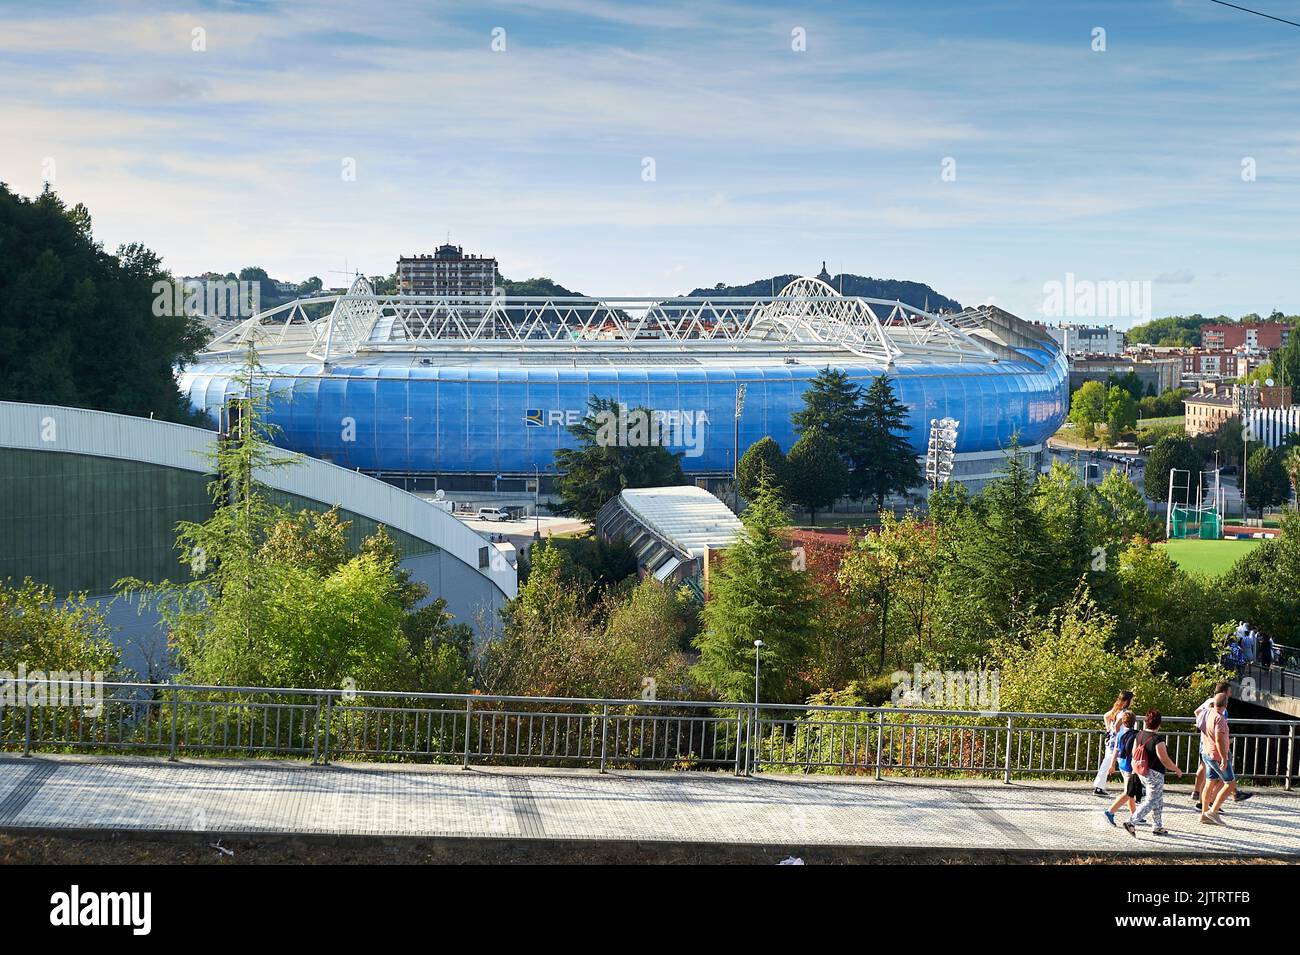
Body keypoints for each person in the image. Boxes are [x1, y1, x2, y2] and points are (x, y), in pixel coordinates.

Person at [1124, 710, 1183, 837]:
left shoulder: (1139, 735)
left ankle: (1157, 826)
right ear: (1159, 724)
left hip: (1142, 772)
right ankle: (1131, 822)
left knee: (1158, 800)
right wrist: (1176, 769)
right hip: (1155, 774)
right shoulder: (1158, 740)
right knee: (1151, 800)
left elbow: (1134, 753)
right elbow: (1164, 760)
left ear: (1146, 722)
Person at [1200, 693, 1236, 825]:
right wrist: (1224, 758)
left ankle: (1204, 814)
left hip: (1207, 752)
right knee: (1230, 783)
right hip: (1217, 756)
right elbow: (1219, 739)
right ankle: (1213, 812)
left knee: (1209, 783)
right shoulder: (1219, 718)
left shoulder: (1207, 712)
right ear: (1226, 705)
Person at [1103, 711, 1141, 827]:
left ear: (1123, 722)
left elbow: (1116, 750)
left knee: (1129, 791)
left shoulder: (1119, 733)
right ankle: (1110, 812)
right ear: (1134, 722)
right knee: (1128, 792)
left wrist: (1112, 764)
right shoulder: (1137, 735)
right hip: (1131, 766)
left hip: (1122, 764)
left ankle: (1134, 814)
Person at [1093, 691, 1134, 796]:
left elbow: (1106, 716)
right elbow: (1117, 725)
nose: (1133, 701)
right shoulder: (1124, 712)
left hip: (1111, 740)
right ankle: (1131, 788)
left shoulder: (1116, 709)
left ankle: (1099, 787)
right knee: (1124, 763)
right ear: (1126, 701)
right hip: (1118, 741)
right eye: (1132, 700)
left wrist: (1108, 730)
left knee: (1108, 762)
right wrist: (1118, 733)